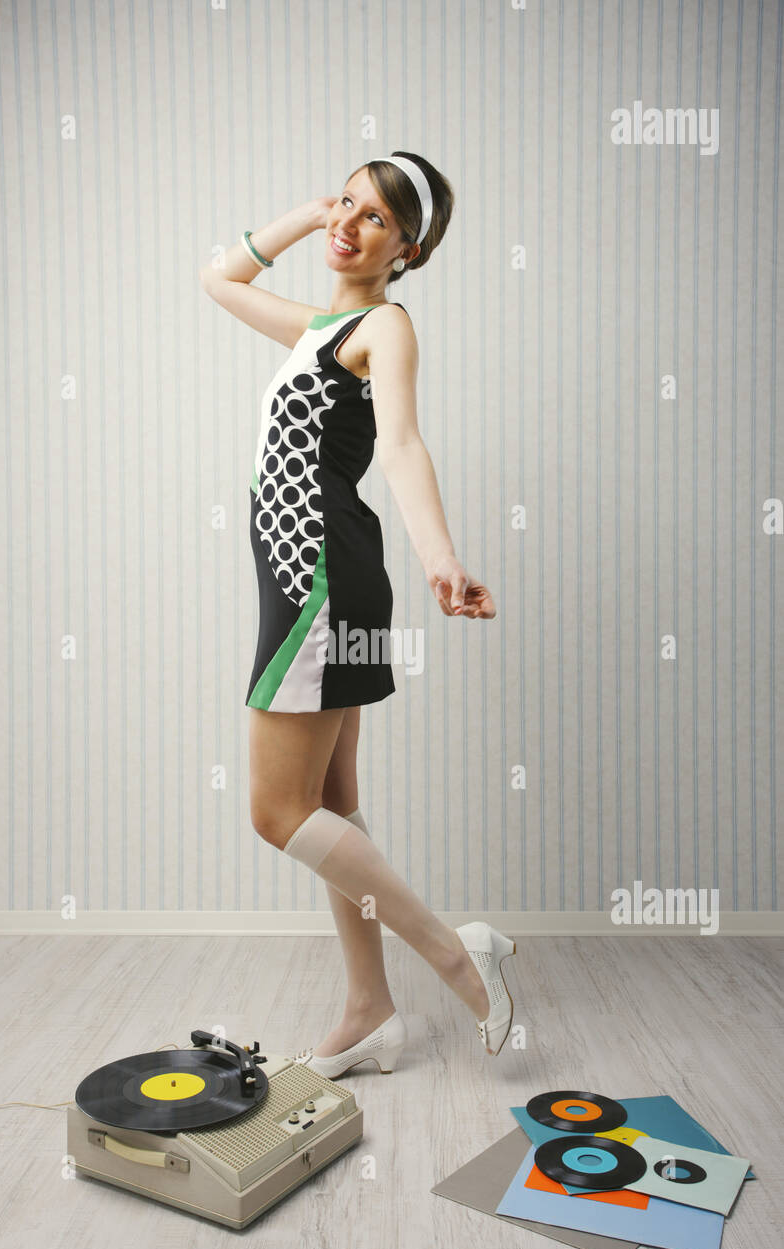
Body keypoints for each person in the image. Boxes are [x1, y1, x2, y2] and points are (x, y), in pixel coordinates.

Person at [200, 152, 517, 1079]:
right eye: (348, 201)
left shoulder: (383, 325)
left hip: (320, 574)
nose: (350, 222)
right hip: (322, 573)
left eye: (375, 217)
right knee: (333, 804)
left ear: (407, 248)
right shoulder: (318, 327)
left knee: (274, 811)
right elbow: (218, 275)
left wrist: (443, 560)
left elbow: (404, 444)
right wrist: (310, 214)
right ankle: (372, 1010)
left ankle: (462, 962)